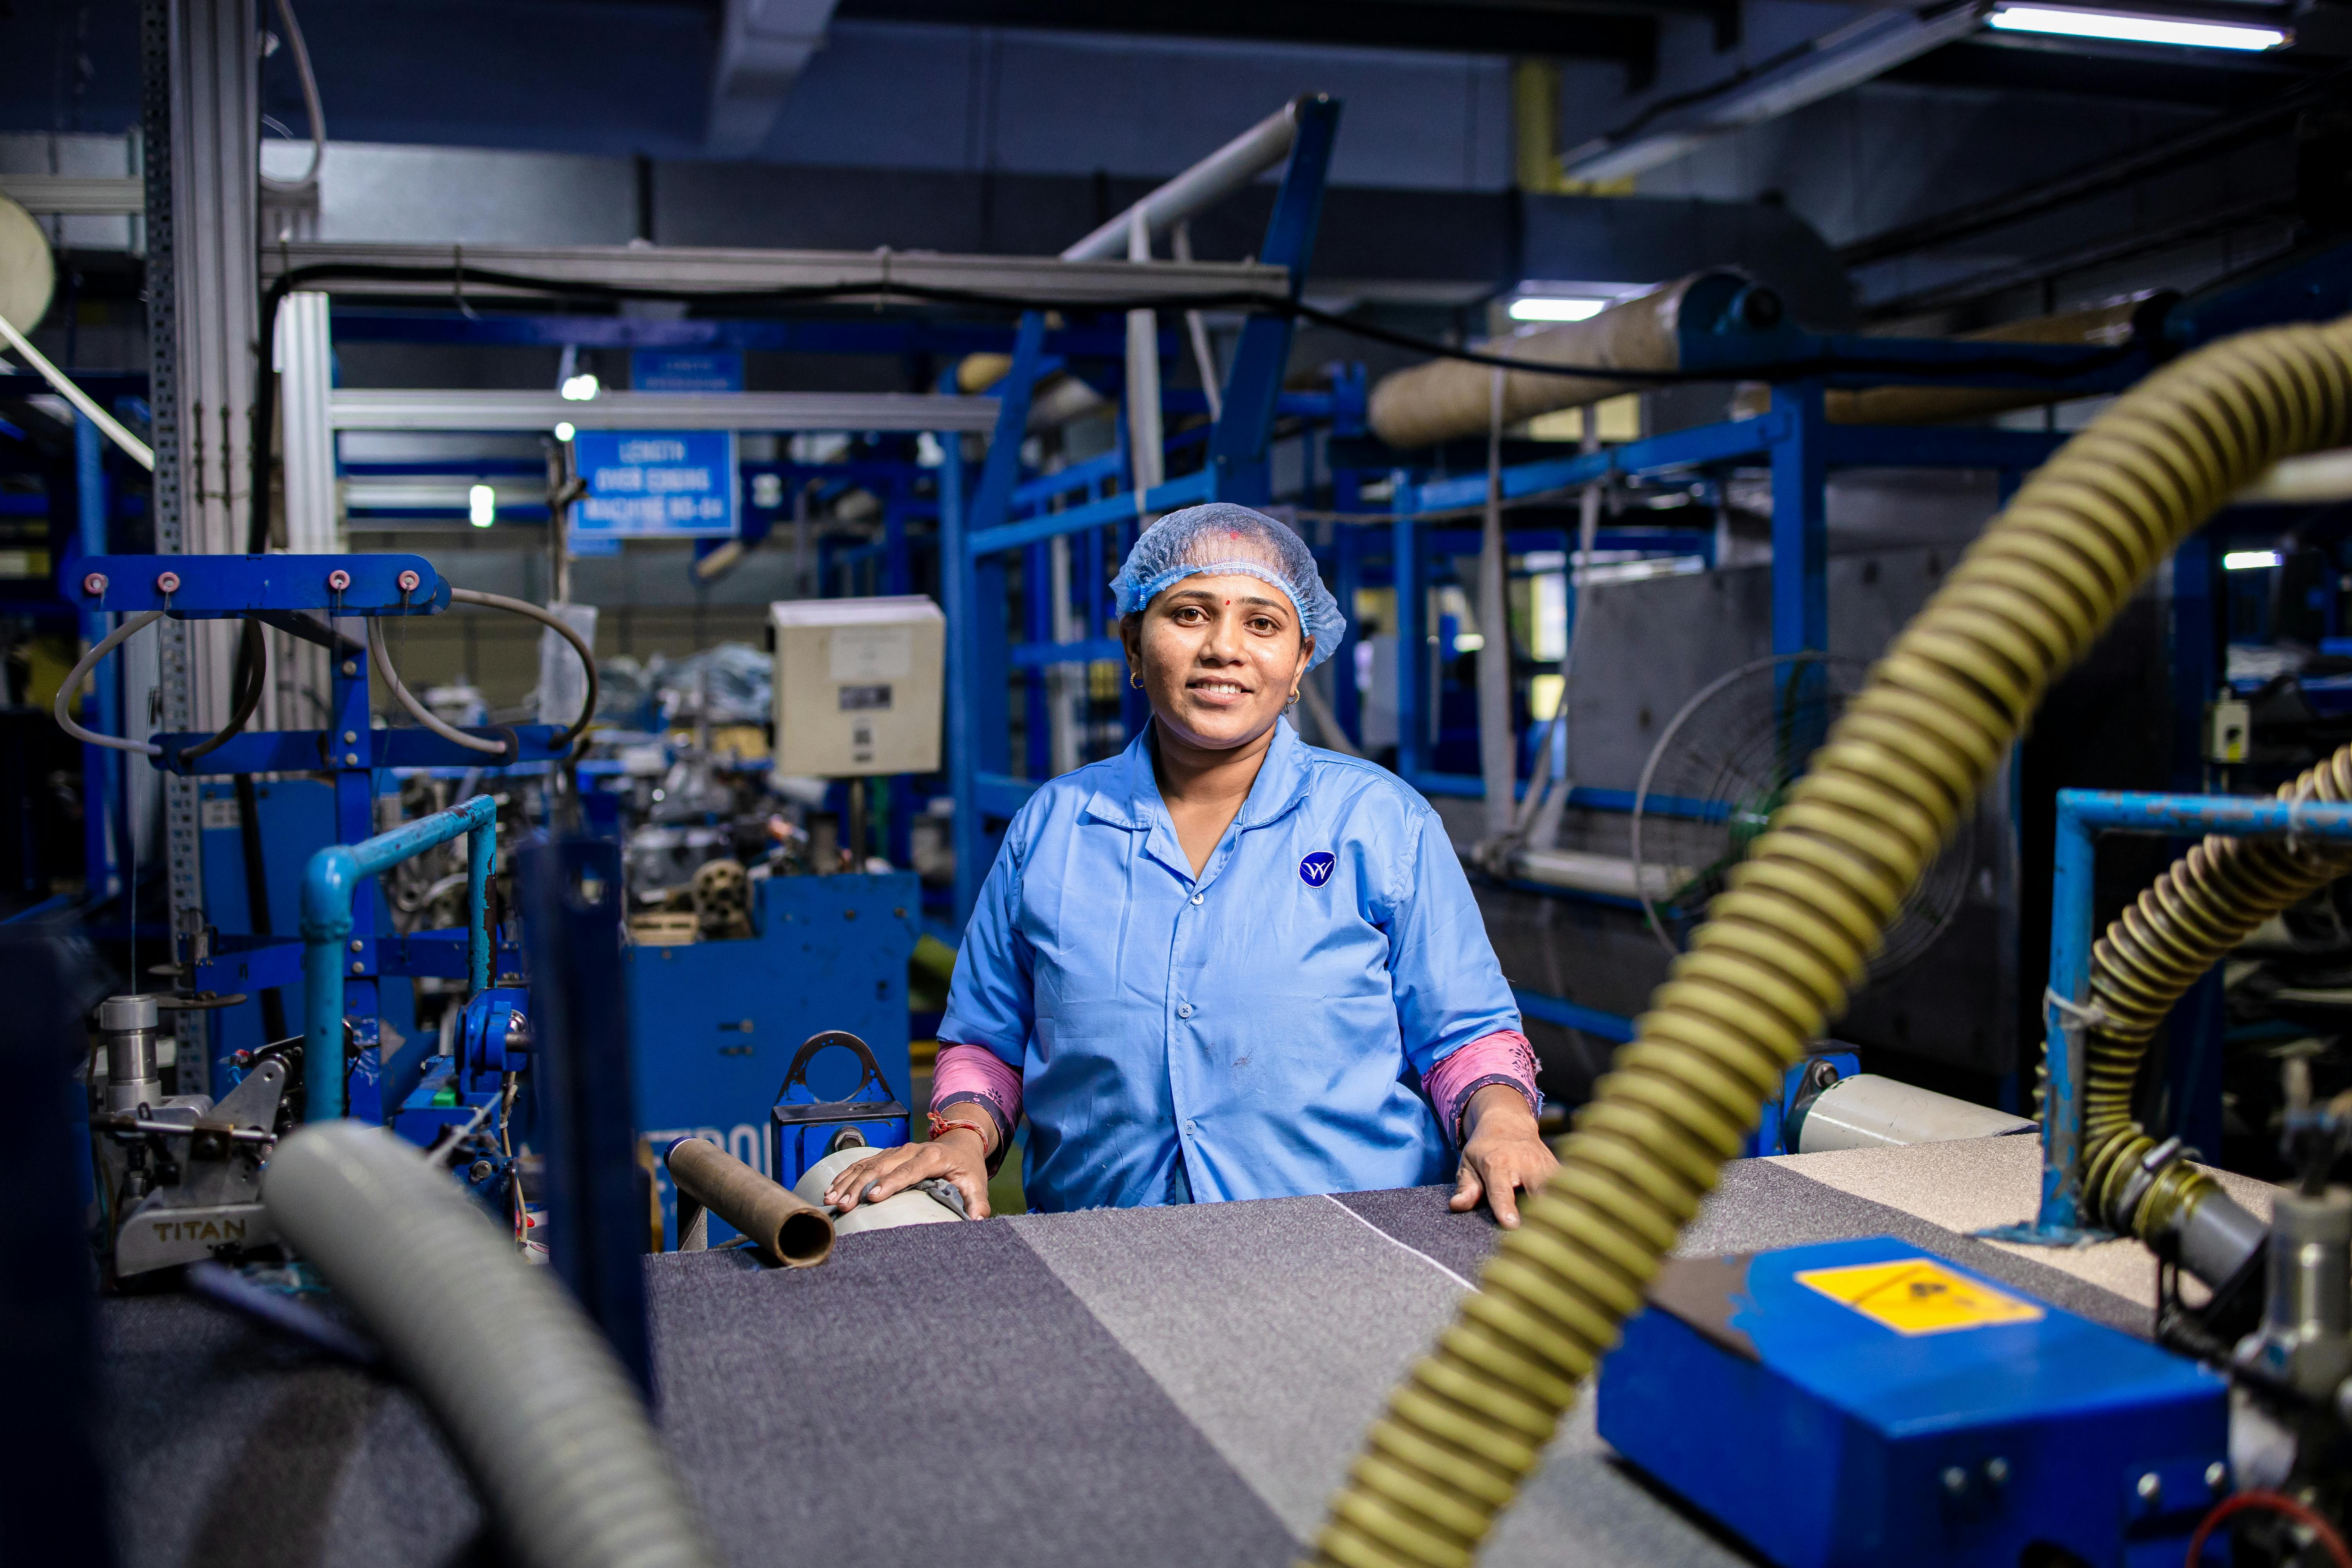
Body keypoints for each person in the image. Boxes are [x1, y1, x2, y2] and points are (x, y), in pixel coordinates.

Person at [826, 503, 1557, 1225]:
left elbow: (1465, 1032)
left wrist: (1504, 1123)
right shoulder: (1052, 831)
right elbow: (987, 1041)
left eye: (1263, 624)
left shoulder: (1381, 823)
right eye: (1189, 614)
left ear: (1302, 659)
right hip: (1106, 1244)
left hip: (1356, 1236)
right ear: (1134, 646)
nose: (1224, 649)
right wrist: (963, 1135)